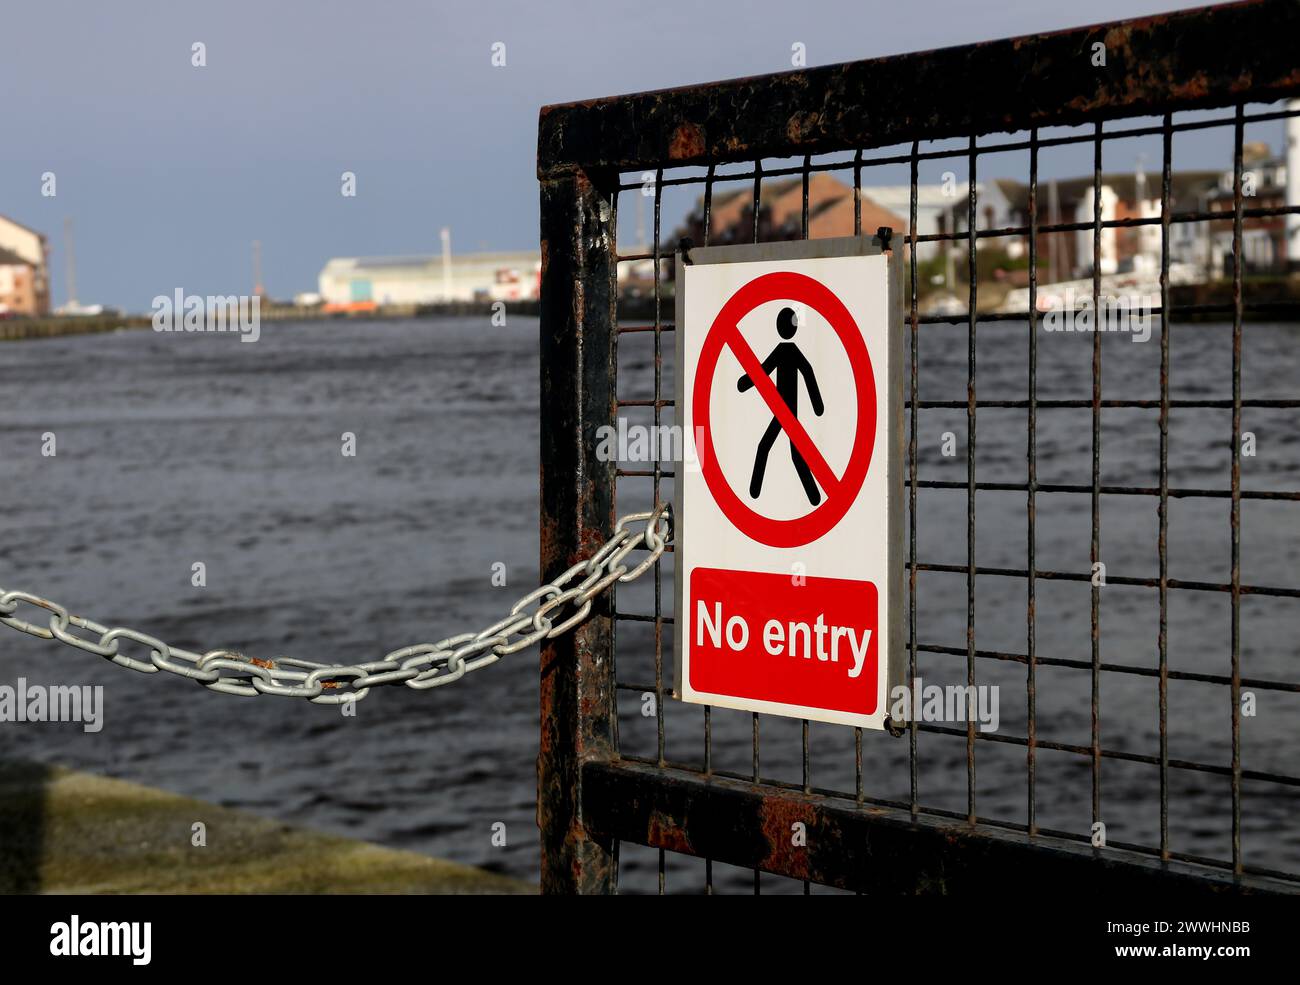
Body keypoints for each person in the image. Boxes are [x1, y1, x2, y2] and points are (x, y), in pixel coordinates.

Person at [737, 306, 824, 505]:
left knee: (771, 448)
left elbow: (762, 372)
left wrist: (744, 383)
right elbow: (806, 372)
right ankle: (814, 497)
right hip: (784, 411)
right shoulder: (789, 351)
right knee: (785, 452)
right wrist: (817, 405)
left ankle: (757, 491)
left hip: (786, 412)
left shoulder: (785, 351)